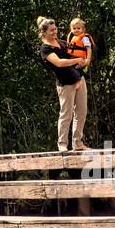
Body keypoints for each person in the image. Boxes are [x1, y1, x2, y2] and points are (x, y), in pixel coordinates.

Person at [37, 16, 88, 151]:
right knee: (66, 114)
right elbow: (59, 63)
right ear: (44, 32)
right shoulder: (45, 49)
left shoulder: (63, 42)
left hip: (79, 79)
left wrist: (84, 58)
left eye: (55, 29)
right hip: (65, 84)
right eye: (51, 30)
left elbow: (78, 51)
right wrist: (76, 60)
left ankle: (77, 142)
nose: (55, 32)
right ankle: (62, 144)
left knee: (81, 112)